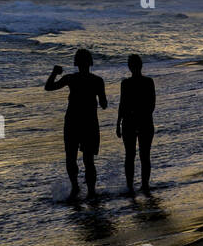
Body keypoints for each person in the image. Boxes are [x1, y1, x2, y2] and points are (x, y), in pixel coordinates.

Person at [45, 49, 107, 197]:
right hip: (90, 122)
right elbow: (104, 104)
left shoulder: (70, 79)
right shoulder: (97, 80)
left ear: (76, 63)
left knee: (71, 157)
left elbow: (49, 87)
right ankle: (91, 191)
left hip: (72, 121)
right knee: (88, 160)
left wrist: (54, 73)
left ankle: (75, 187)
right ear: (90, 63)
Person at [116, 52, 156, 193]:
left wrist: (118, 123)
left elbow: (123, 105)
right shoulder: (146, 82)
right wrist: (118, 123)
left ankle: (132, 187)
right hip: (141, 121)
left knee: (132, 155)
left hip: (132, 121)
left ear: (131, 67)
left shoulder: (127, 83)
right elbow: (151, 105)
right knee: (142, 155)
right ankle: (142, 186)